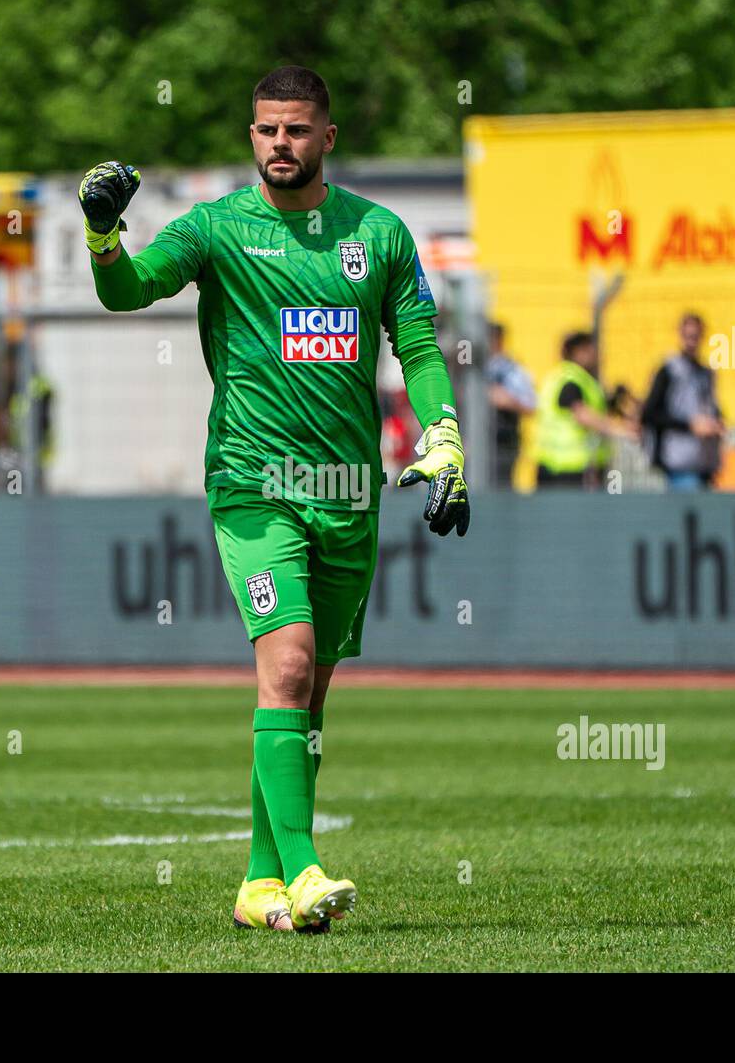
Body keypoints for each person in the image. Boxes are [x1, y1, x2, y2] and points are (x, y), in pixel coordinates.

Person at [82, 66, 469, 933]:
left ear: (327, 136)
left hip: (347, 494)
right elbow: (129, 286)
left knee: (307, 695)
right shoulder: (218, 228)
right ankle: (305, 868)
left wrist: (443, 432)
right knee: (287, 663)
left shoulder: (381, 233)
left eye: (296, 130)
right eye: (266, 130)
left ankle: (258, 882)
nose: (279, 144)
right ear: (250, 136)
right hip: (253, 485)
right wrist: (104, 234)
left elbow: (419, 343)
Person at [534, 331, 638, 488]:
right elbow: (581, 414)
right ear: (579, 352)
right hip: (569, 468)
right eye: (592, 350)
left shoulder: (564, 377)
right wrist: (620, 430)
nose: (597, 355)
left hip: (559, 465)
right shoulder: (572, 380)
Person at [641, 313, 724, 490]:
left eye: (696, 336)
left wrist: (716, 422)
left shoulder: (706, 372)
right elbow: (650, 413)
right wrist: (690, 425)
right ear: (680, 334)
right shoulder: (668, 370)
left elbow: (709, 406)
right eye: (688, 335)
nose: (692, 341)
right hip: (679, 459)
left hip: (705, 459)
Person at [483, 322, 536, 488]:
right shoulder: (469, 367)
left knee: (500, 491)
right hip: (471, 443)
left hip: (502, 443)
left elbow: (531, 405)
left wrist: (508, 400)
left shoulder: (512, 370)